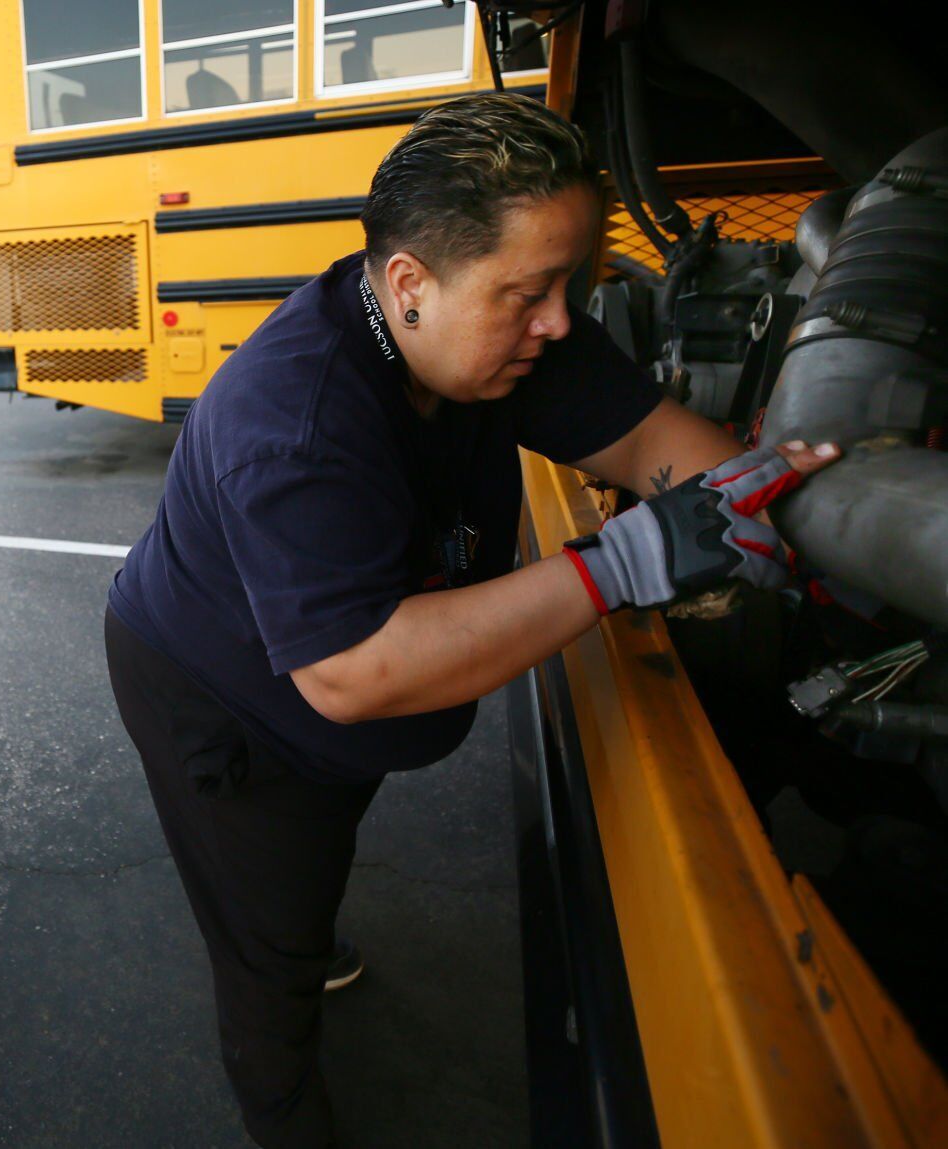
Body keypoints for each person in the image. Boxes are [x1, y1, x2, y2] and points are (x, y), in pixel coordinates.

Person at [104, 91, 838, 1148]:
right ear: (408, 284)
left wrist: (782, 506)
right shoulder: (295, 420)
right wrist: (628, 557)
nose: (556, 322)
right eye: (529, 293)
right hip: (221, 698)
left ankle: (307, 916)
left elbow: (654, 450)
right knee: (265, 942)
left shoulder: (494, 333)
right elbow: (357, 673)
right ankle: (284, 1103)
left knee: (329, 826)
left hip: (332, 683)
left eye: (568, 286)